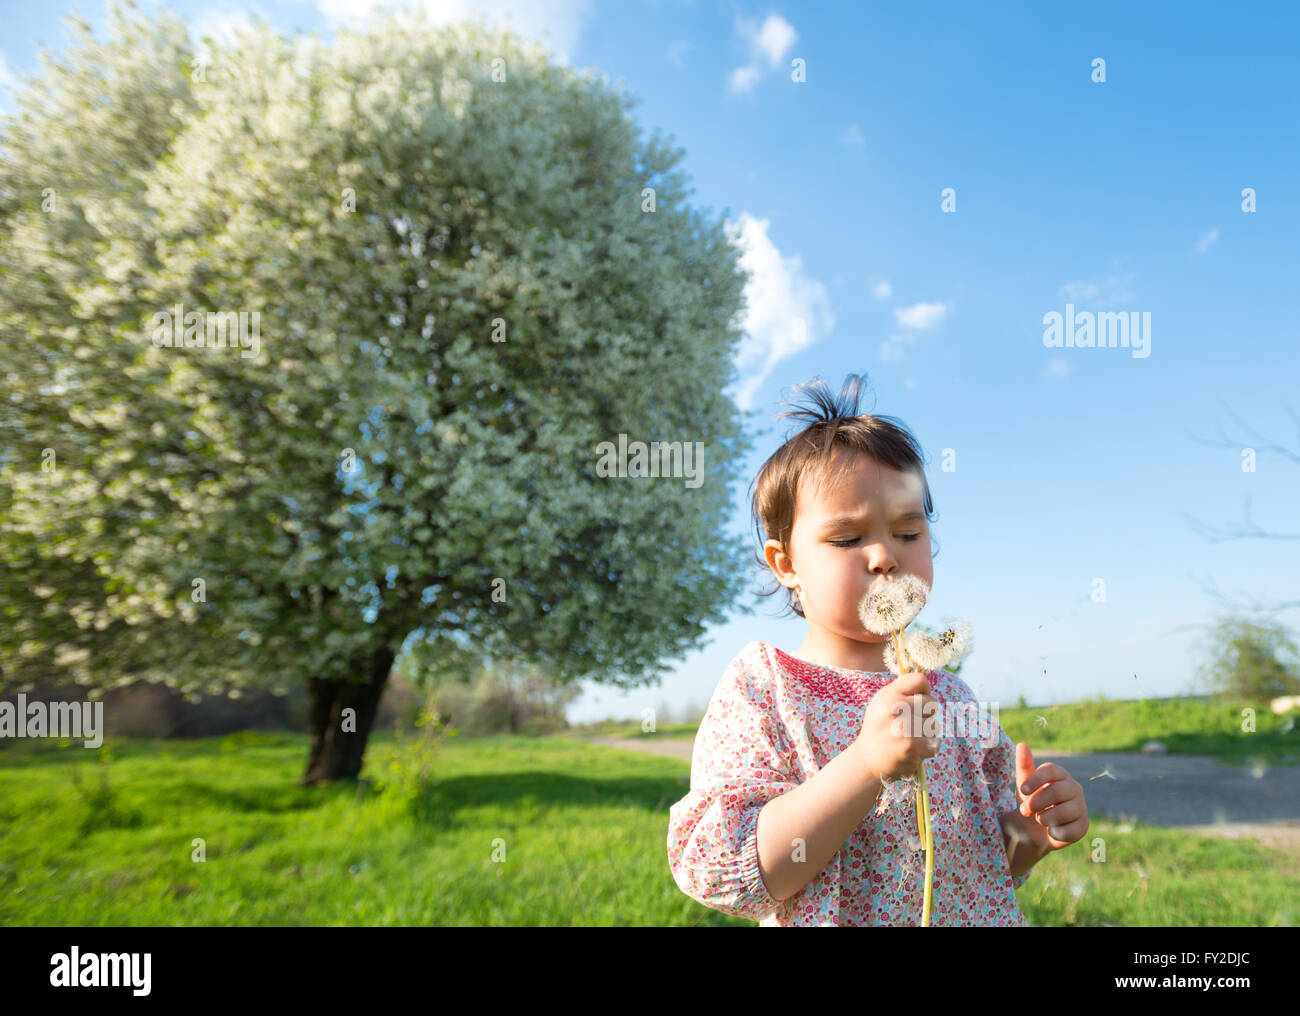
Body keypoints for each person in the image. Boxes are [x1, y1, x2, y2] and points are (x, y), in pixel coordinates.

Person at [666, 372, 1089, 925]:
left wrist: (1030, 834)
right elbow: (727, 867)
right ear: (786, 564)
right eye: (847, 539)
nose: (885, 556)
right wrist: (866, 763)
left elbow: (985, 863)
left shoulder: (952, 697)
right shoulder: (764, 688)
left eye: (908, 534)